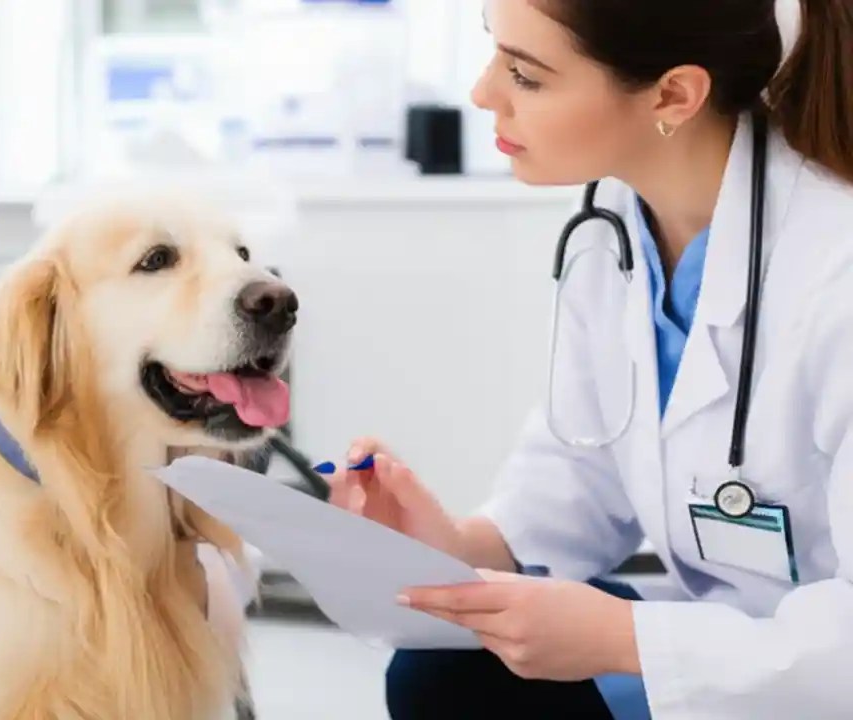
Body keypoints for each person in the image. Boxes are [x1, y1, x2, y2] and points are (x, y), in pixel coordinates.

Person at [324, 0, 853, 717]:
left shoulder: (835, 269)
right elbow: (578, 473)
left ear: (673, 94)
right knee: (444, 670)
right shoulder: (615, 226)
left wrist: (629, 638)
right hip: (731, 651)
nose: (483, 93)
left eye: (526, 75)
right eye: (495, 55)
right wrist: (454, 547)